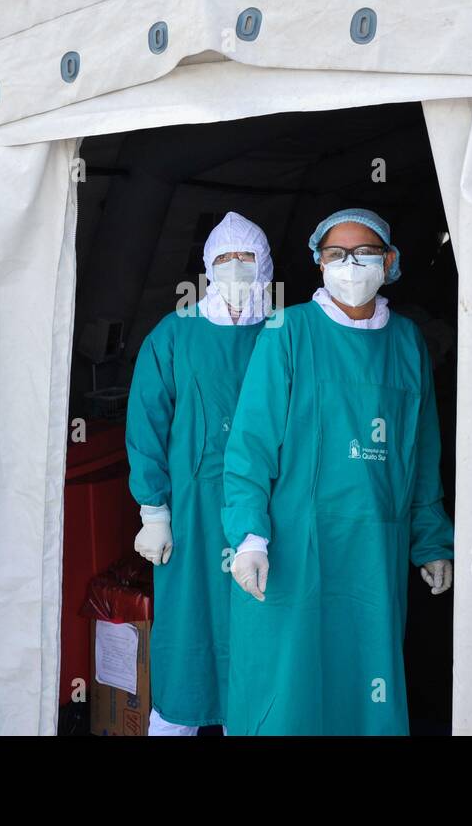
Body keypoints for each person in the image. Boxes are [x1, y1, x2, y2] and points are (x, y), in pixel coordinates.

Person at [221, 207, 454, 735]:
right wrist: (249, 536)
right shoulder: (288, 332)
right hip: (294, 545)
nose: (351, 264)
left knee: (366, 679)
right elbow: (250, 446)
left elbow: (420, 452)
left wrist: (432, 539)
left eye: (365, 253)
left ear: (390, 261)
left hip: (375, 548)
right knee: (291, 685)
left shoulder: (406, 343)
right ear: (319, 264)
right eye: (336, 254)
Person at [125, 211, 273, 736]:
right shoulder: (174, 334)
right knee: (188, 630)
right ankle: (174, 724)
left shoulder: (282, 332)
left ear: (267, 265)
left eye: (246, 259)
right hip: (190, 515)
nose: (235, 270)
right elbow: (147, 422)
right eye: (224, 260)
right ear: (207, 267)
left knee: (258, 632)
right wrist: (154, 509)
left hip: (263, 512)